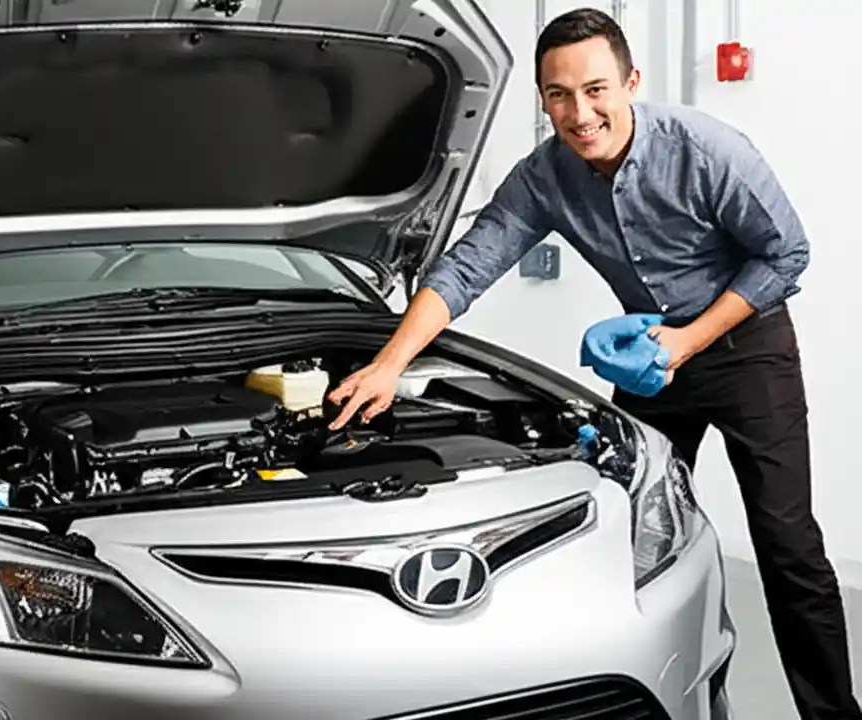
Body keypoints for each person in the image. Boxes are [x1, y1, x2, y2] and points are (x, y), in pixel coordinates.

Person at [327, 7, 862, 718]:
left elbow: (787, 253)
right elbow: (464, 270)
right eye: (558, 95)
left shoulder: (707, 150)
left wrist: (690, 339)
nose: (580, 113)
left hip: (748, 350)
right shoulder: (545, 176)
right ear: (543, 99)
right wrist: (390, 364)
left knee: (788, 547)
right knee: (629, 535)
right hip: (651, 364)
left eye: (597, 89)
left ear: (631, 81)